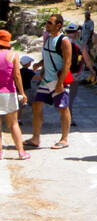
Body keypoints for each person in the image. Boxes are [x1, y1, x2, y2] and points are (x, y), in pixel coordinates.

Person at [26, 13, 72, 150]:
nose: (46, 25)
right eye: (47, 22)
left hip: (58, 80)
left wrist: (60, 83)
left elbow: (67, 63)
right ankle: (35, 138)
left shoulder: (64, 41)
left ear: (58, 25)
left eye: (49, 23)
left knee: (63, 108)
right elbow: (48, 54)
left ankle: (64, 139)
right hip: (47, 79)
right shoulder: (48, 38)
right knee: (36, 105)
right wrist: (40, 64)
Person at [0, 30, 29, 160]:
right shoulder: (13, 55)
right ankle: (21, 151)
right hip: (9, 93)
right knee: (13, 124)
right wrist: (22, 93)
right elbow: (17, 76)